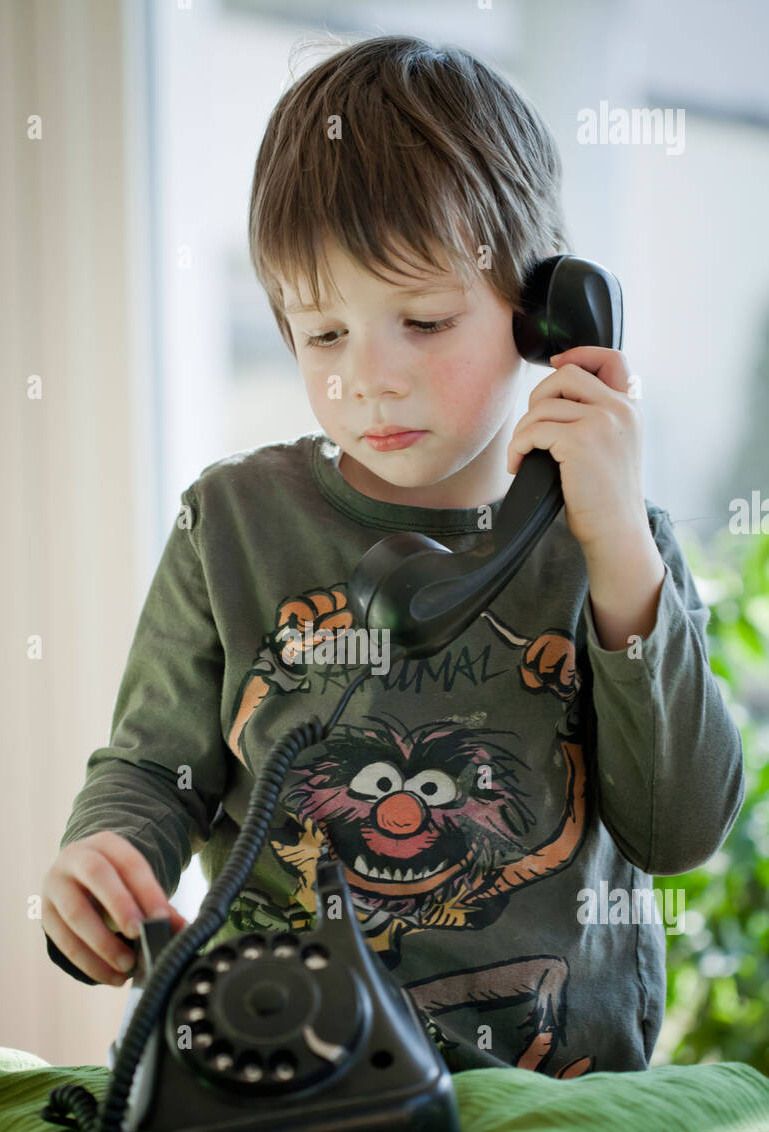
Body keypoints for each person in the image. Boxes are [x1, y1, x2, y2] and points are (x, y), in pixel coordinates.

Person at [40, 34, 744, 1076]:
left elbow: (676, 830)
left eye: (420, 319)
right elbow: (154, 768)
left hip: (547, 1093)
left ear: (545, 311)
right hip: (287, 1078)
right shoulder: (230, 523)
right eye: (322, 334)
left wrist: (616, 558)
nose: (367, 379)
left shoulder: (613, 541)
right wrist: (106, 861)